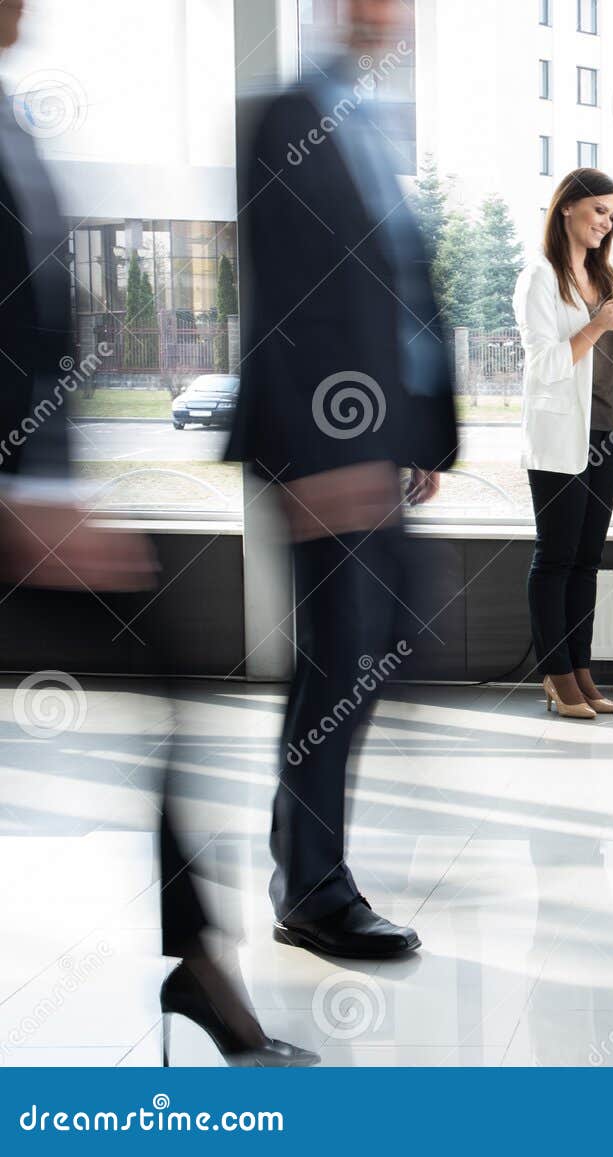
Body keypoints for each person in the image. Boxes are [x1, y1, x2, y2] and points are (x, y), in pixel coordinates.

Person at [0, 0, 316, 1065]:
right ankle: (202, 963)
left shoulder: (14, 117)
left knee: (170, 665)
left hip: (37, 495)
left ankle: (200, 960)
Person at [225, 0, 458, 959]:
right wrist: (317, 453)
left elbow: (396, 291)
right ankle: (312, 885)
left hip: (378, 442)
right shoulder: (288, 118)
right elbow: (279, 295)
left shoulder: (372, 131)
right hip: (326, 451)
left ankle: (301, 854)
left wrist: (420, 436)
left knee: (385, 639)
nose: (390, 13)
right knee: (342, 654)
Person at [514, 168, 613, 718]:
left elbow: (604, 369)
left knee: (586, 562)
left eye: (612, 214)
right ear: (566, 209)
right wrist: (598, 324)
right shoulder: (540, 278)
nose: (606, 222)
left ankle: (581, 670)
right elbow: (546, 366)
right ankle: (556, 676)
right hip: (560, 439)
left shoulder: (605, 280)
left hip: (605, 435)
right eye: (598, 210)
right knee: (554, 559)